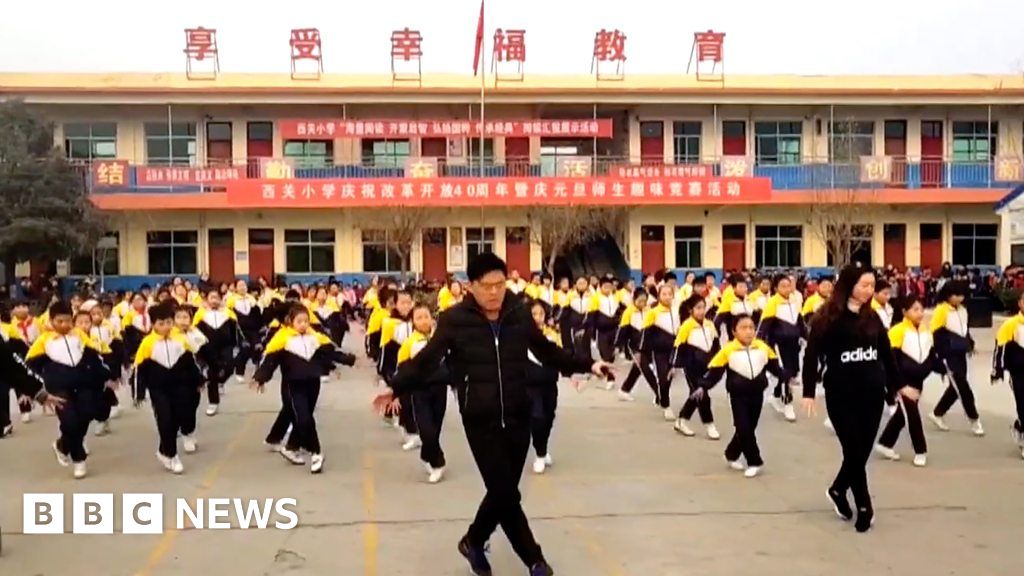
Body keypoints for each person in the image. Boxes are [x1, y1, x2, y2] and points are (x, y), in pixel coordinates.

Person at [373, 252, 612, 576]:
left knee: (505, 492)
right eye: (487, 286)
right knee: (504, 492)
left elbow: (546, 351)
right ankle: (535, 561)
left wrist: (588, 364)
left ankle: (473, 540)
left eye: (500, 284)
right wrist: (396, 387)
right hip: (479, 418)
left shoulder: (518, 312)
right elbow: (427, 359)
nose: (495, 292)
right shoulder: (455, 320)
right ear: (471, 286)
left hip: (518, 413)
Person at [801, 265, 905, 533]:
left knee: (860, 452)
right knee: (853, 450)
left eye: (872, 286)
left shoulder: (873, 318)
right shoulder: (828, 318)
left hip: (872, 394)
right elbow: (811, 355)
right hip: (841, 395)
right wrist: (809, 392)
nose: (869, 291)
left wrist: (897, 386)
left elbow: (887, 353)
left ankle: (837, 489)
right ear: (849, 285)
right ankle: (864, 505)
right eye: (864, 285)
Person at [253, 303, 353, 474]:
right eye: (299, 321)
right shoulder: (282, 339)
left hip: (313, 383)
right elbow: (269, 361)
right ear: (290, 321)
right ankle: (316, 452)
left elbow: (330, 352)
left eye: (306, 321)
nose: (303, 324)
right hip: (293, 385)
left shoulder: (315, 337)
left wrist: (348, 360)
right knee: (304, 419)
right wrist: (260, 378)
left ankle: (291, 447)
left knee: (305, 417)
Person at [27, 301, 112, 479]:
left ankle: (62, 445)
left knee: (86, 415)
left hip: (83, 384)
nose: (65, 325)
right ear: (51, 321)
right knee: (70, 421)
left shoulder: (80, 335)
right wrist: (31, 390)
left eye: (67, 321)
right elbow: (30, 366)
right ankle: (79, 459)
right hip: (58, 388)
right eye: (60, 321)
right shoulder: (44, 341)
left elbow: (95, 356)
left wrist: (106, 375)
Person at [695, 314, 784, 478]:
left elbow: (774, 367)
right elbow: (715, 372)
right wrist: (703, 386)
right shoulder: (728, 350)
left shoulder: (763, 347)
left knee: (749, 427)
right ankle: (754, 461)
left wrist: (786, 377)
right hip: (737, 395)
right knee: (743, 427)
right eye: (743, 328)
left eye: (751, 327)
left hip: (757, 394)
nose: (749, 331)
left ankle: (731, 454)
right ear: (734, 331)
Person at [134, 303, 204, 474]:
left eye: (168, 323)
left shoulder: (181, 340)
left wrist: (199, 380)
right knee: (165, 421)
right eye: (161, 324)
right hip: (159, 390)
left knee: (178, 419)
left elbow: (190, 363)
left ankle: (163, 451)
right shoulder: (147, 344)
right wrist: (139, 393)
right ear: (153, 325)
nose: (165, 327)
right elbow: (139, 371)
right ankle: (172, 456)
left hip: (180, 387)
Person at [876, 295, 943, 467]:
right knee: (912, 414)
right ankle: (920, 450)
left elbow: (931, 355)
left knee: (902, 414)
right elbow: (890, 360)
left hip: (918, 378)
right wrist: (898, 385)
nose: (920, 313)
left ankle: (885, 443)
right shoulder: (897, 331)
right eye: (915, 309)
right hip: (902, 381)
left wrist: (941, 369)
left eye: (921, 309)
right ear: (905, 312)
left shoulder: (926, 331)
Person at [397, 302, 450, 483]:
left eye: (426, 316)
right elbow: (402, 371)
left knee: (435, 428)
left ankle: (427, 454)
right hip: (419, 392)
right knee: (426, 429)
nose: (423, 320)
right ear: (413, 321)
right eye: (418, 317)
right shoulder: (409, 344)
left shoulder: (440, 339)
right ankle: (437, 463)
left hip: (439, 389)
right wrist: (395, 392)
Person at [928, 280, 983, 435]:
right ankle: (974, 419)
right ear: (947, 295)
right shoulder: (941, 310)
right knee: (963, 387)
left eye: (961, 295)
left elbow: (964, 330)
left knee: (956, 386)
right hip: (948, 354)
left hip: (960, 352)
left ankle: (937, 413)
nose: (959, 298)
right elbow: (935, 332)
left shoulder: (963, 310)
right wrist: (939, 353)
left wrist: (970, 344)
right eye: (955, 295)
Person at [672, 295, 721, 439]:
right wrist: (673, 366)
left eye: (703, 307)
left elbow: (717, 345)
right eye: (698, 308)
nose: (701, 311)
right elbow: (677, 347)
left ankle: (681, 420)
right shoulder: (686, 326)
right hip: (691, 366)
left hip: (706, 365)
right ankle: (710, 425)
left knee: (695, 395)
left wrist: (719, 361)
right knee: (702, 396)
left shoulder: (710, 325)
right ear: (690, 310)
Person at [757, 275, 803, 422]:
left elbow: (800, 323)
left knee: (792, 373)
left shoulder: (794, 301)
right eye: (782, 286)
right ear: (776, 288)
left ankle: (775, 396)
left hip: (793, 345)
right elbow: (764, 326)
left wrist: (808, 338)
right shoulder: (773, 303)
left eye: (788, 285)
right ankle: (788, 404)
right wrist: (759, 345)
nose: (786, 288)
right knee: (785, 373)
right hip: (778, 345)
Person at [526, 301, 561, 474]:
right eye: (534, 314)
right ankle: (540, 454)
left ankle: (543, 448)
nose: (538, 317)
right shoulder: (522, 337)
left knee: (548, 417)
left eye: (541, 314)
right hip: (530, 387)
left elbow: (561, 357)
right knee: (537, 418)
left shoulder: (552, 335)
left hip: (549, 384)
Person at [193, 288, 239, 417]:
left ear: (220, 299)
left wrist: (238, 344)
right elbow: (195, 332)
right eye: (211, 297)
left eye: (216, 297)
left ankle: (221, 381)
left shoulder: (228, 313)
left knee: (230, 366)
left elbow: (236, 330)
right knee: (212, 374)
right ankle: (213, 402)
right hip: (208, 348)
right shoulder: (200, 314)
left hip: (226, 346)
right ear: (207, 300)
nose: (214, 300)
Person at [639, 283, 681, 421]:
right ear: (659, 296)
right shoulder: (653, 312)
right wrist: (642, 352)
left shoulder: (676, 311)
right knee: (663, 378)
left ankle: (662, 397)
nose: (667, 297)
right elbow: (645, 333)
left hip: (673, 350)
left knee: (669, 378)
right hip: (659, 351)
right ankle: (666, 405)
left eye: (670, 294)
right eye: (664, 294)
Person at [990, 290, 1024, 460]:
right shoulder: (1011, 324)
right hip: (1019, 372)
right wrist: (997, 370)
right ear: (1020, 303)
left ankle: (1020, 426)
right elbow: (1000, 348)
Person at [616, 288, 654, 402]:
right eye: (639, 301)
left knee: (637, 369)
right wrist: (618, 346)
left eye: (644, 301)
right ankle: (659, 394)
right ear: (634, 300)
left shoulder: (649, 310)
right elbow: (622, 331)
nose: (642, 304)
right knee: (645, 369)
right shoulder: (629, 312)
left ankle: (624, 390)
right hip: (634, 346)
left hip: (647, 345)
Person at [590, 276, 621, 391]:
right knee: (605, 355)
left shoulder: (615, 298)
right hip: (601, 331)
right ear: (600, 287)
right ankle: (606, 374)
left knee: (611, 355)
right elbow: (592, 317)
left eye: (610, 287)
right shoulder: (596, 298)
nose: (608, 289)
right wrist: (592, 333)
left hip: (613, 330)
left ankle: (609, 377)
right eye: (605, 287)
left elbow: (619, 312)